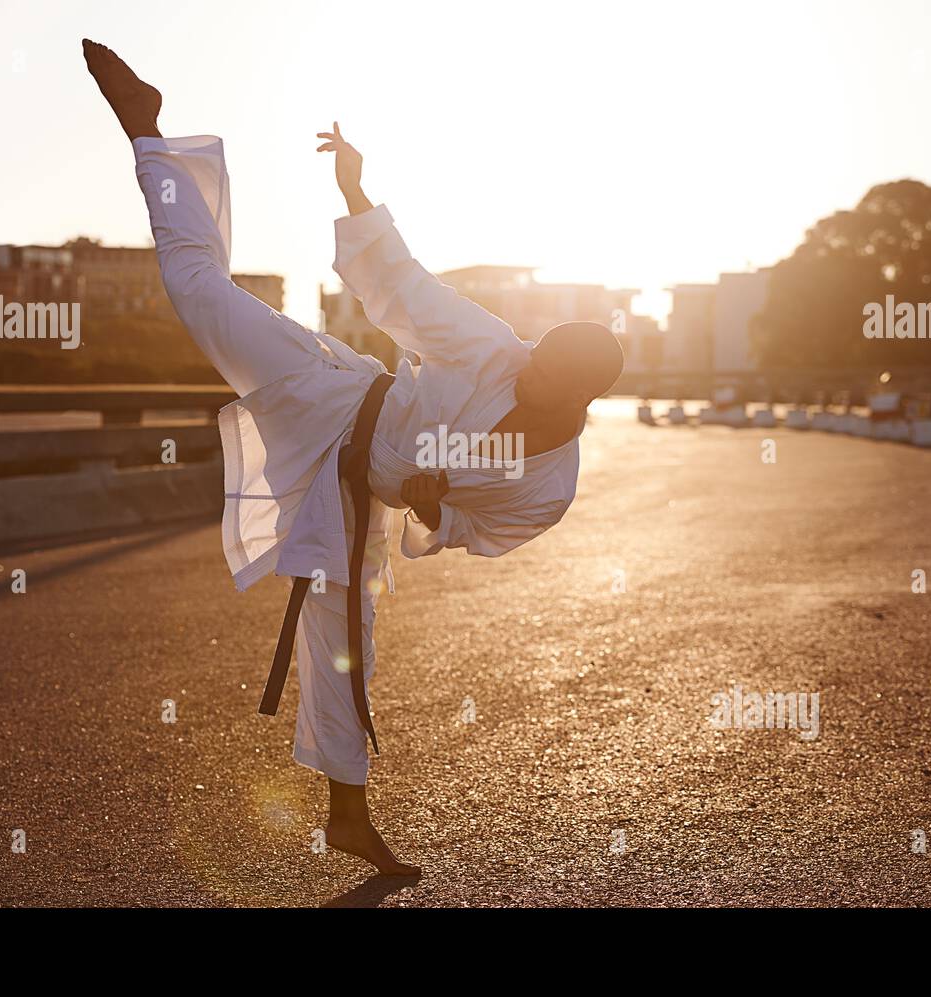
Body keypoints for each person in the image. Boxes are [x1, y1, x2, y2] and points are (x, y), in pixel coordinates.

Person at [82, 39, 623, 876]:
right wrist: (355, 188)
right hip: (339, 395)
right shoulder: (498, 348)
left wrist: (434, 505)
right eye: (534, 352)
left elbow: (476, 533)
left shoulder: (550, 487)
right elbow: (407, 288)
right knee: (202, 294)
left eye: (546, 374)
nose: (527, 366)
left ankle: (349, 819)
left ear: (580, 400)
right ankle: (149, 138)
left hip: (356, 503)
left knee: (342, 655)